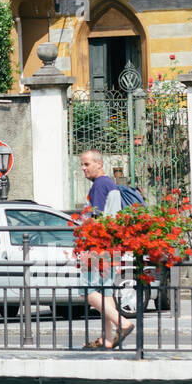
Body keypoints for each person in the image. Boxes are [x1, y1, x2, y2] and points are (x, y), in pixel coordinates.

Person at [79, 148, 131, 349]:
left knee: (87, 291)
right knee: (106, 293)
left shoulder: (100, 185)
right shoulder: (110, 183)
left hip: (98, 245)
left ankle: (123, 323)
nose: (84, 168)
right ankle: (108, 340)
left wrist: (87, 242)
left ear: (99, 164)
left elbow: (96, 217)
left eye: (87, 164)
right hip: (111, 245)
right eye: (82, 165)